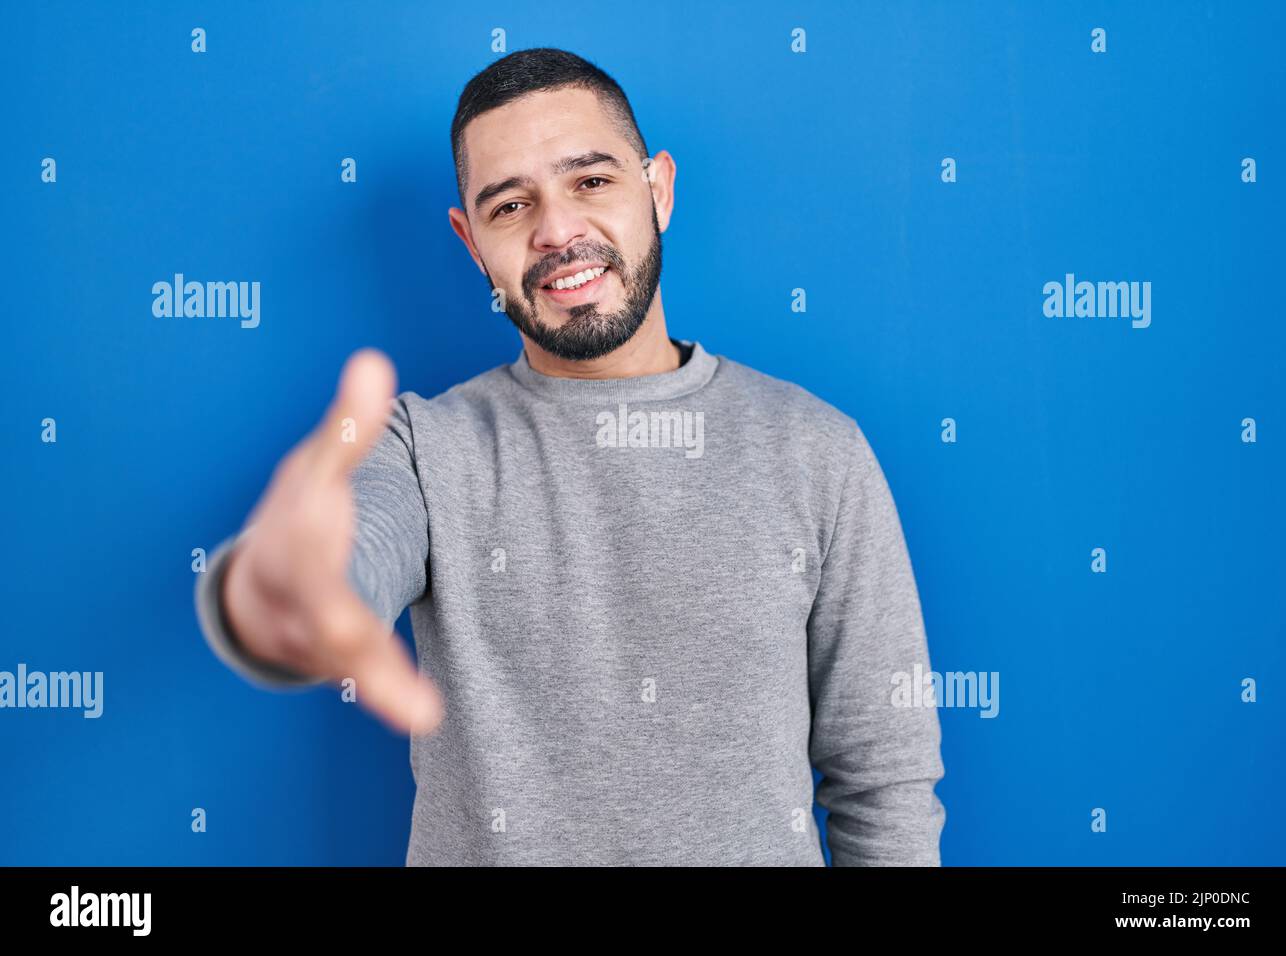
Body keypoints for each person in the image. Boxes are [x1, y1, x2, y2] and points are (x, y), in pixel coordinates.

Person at [194, 47, 946, 866]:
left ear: (657, 190)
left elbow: (886, 785)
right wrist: (269, 596)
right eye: (511, 206)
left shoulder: (816, 449)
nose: (558, 231)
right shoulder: (418, 448)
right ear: (472, 242)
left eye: (591, 181)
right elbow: (340, 560)